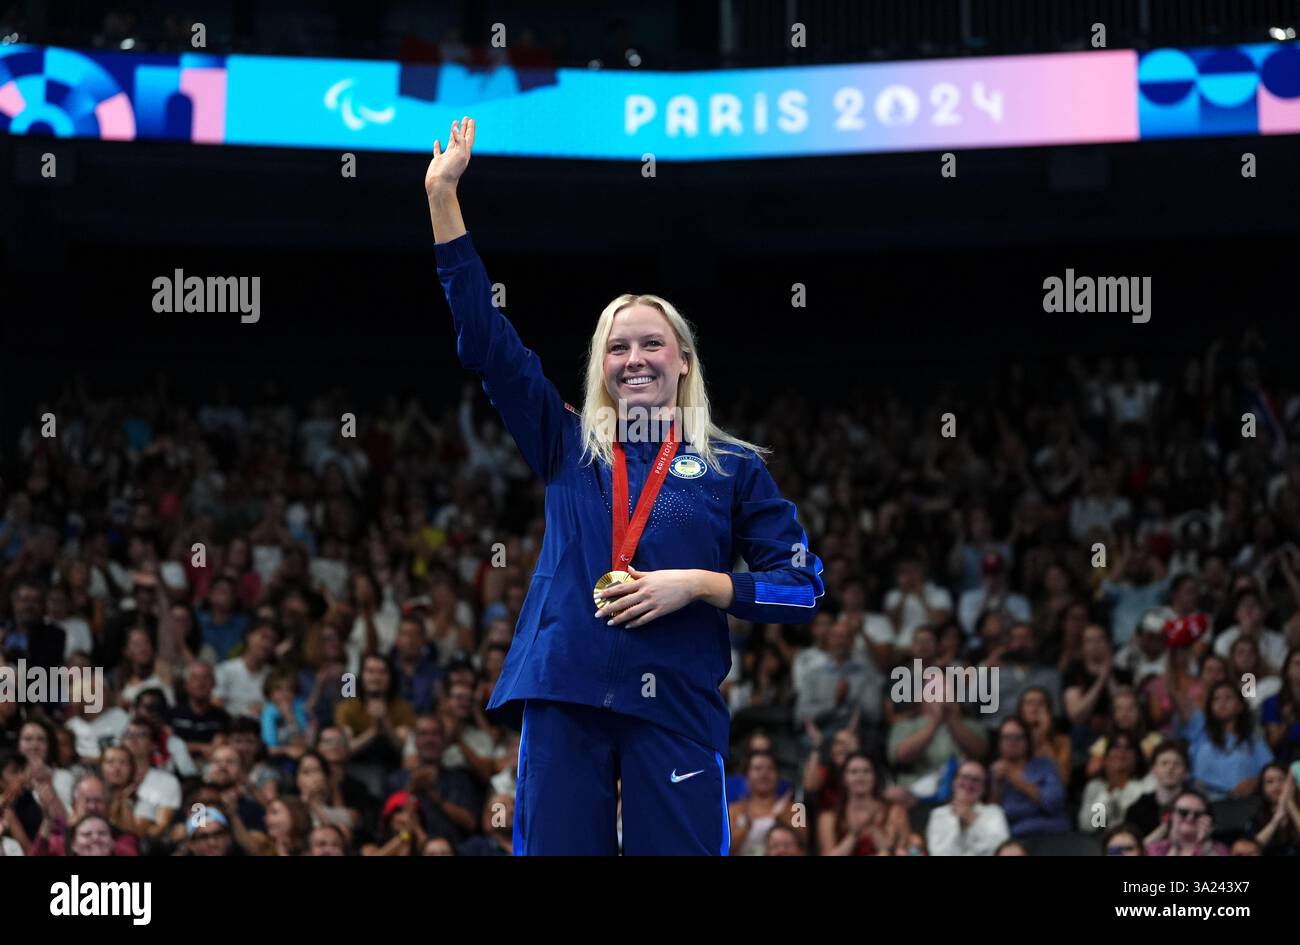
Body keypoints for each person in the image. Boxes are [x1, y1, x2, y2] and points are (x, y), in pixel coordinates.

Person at [427, 116, 823, 855]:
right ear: (601, 364)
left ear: (682, 361)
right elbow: (485, 341)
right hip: (566, 690)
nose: (633, 358)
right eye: (617, 345)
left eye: (651, 343)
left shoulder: (734, 466)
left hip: (673, 703)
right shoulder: (569, 442)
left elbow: (802, 587)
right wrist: (443, 199)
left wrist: (700, 585)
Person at [1182, 681, 1274, 801]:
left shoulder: (1254, 741)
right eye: (1216, 699)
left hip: (1245, 804)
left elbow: (1271, 772)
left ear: (1240, 706)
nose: (1222, 702)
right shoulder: (1200, 739)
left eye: (1228, 697)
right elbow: (1190, 777)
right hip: (1206, 805)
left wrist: (1256, 782)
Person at [989, 716, 1069, 837]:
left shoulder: (1045, 765)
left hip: (1052, 833)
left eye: (1018, 737)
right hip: (1015, 839)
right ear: (999, 742)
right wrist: (996, 785)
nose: (1012, 742)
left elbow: (1053, 803)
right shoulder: (993, 771)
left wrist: (1014, 777)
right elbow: (991, 817)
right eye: (1006, 737)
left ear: (1027, 741)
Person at [816, 753, 907, 856]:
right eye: (853, 772)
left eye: (866, 771)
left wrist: (873, 828)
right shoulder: (829, 817)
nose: (860, 777)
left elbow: (895, 850)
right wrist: (854, 835)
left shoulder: (893, 811)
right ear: (844, 779)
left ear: (875, 777)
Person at [925, 760, 1010, 856]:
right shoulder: (938, 814)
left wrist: (972, 821)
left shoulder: (993, 812)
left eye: (976, 780)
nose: (968, 784)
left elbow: (999, 849)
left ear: (984, 788)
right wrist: (959, 825)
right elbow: (938, 853)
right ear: (954, 781)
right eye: (964, 777)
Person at [728, 750, 804, 855]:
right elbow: (727, 849)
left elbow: (803, 845)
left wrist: (780, 817)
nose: (764, 774)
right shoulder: (734, 809)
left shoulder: (798, 809)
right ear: (747, 776)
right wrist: (744, 828)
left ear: (778, 775)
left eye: (770, 768)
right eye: (757, 769)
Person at [1078, 732, 1147, 832]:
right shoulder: (1095, 786)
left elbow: (1135, 824)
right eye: (1116, 747)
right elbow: (1091, 826)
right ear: (1105, 758)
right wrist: (1107, 793)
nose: (1121, 751)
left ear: (1136, 758)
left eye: (1128, 748)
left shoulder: (1143, 787)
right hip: (1097, 840)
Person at [1126, 740, 1190, 843]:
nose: (1170, 768)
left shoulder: (1198, 807)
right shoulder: (1137, 809)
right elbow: (1129, 850)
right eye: (1164, 763)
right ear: (1153, 769)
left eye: (1177, 764)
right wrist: (1162, 831)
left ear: (1186, 772)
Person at [1144, 788, 1227, 856]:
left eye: (1197, 814)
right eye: (1183, 813)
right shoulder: (1156, 848)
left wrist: (1204, 847)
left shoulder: (1218, 849)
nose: (1190, 818)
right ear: (1171, 814)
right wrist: (1174, 847)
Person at [1248, 762, 1300, 855]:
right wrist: (1277, 818)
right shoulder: (1257, 817)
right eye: (1269, 781)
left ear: (1291, 784)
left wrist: (1290, 804)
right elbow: (1251, 848)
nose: (1276, 785)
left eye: (1281, 779)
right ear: (1262, 789)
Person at [1261, 648, 1300, 764]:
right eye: (1297, 664)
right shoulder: (1272, 703)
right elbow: (1272, 742)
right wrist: (1286, 723)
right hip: (1286, 761)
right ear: (1287, 670)